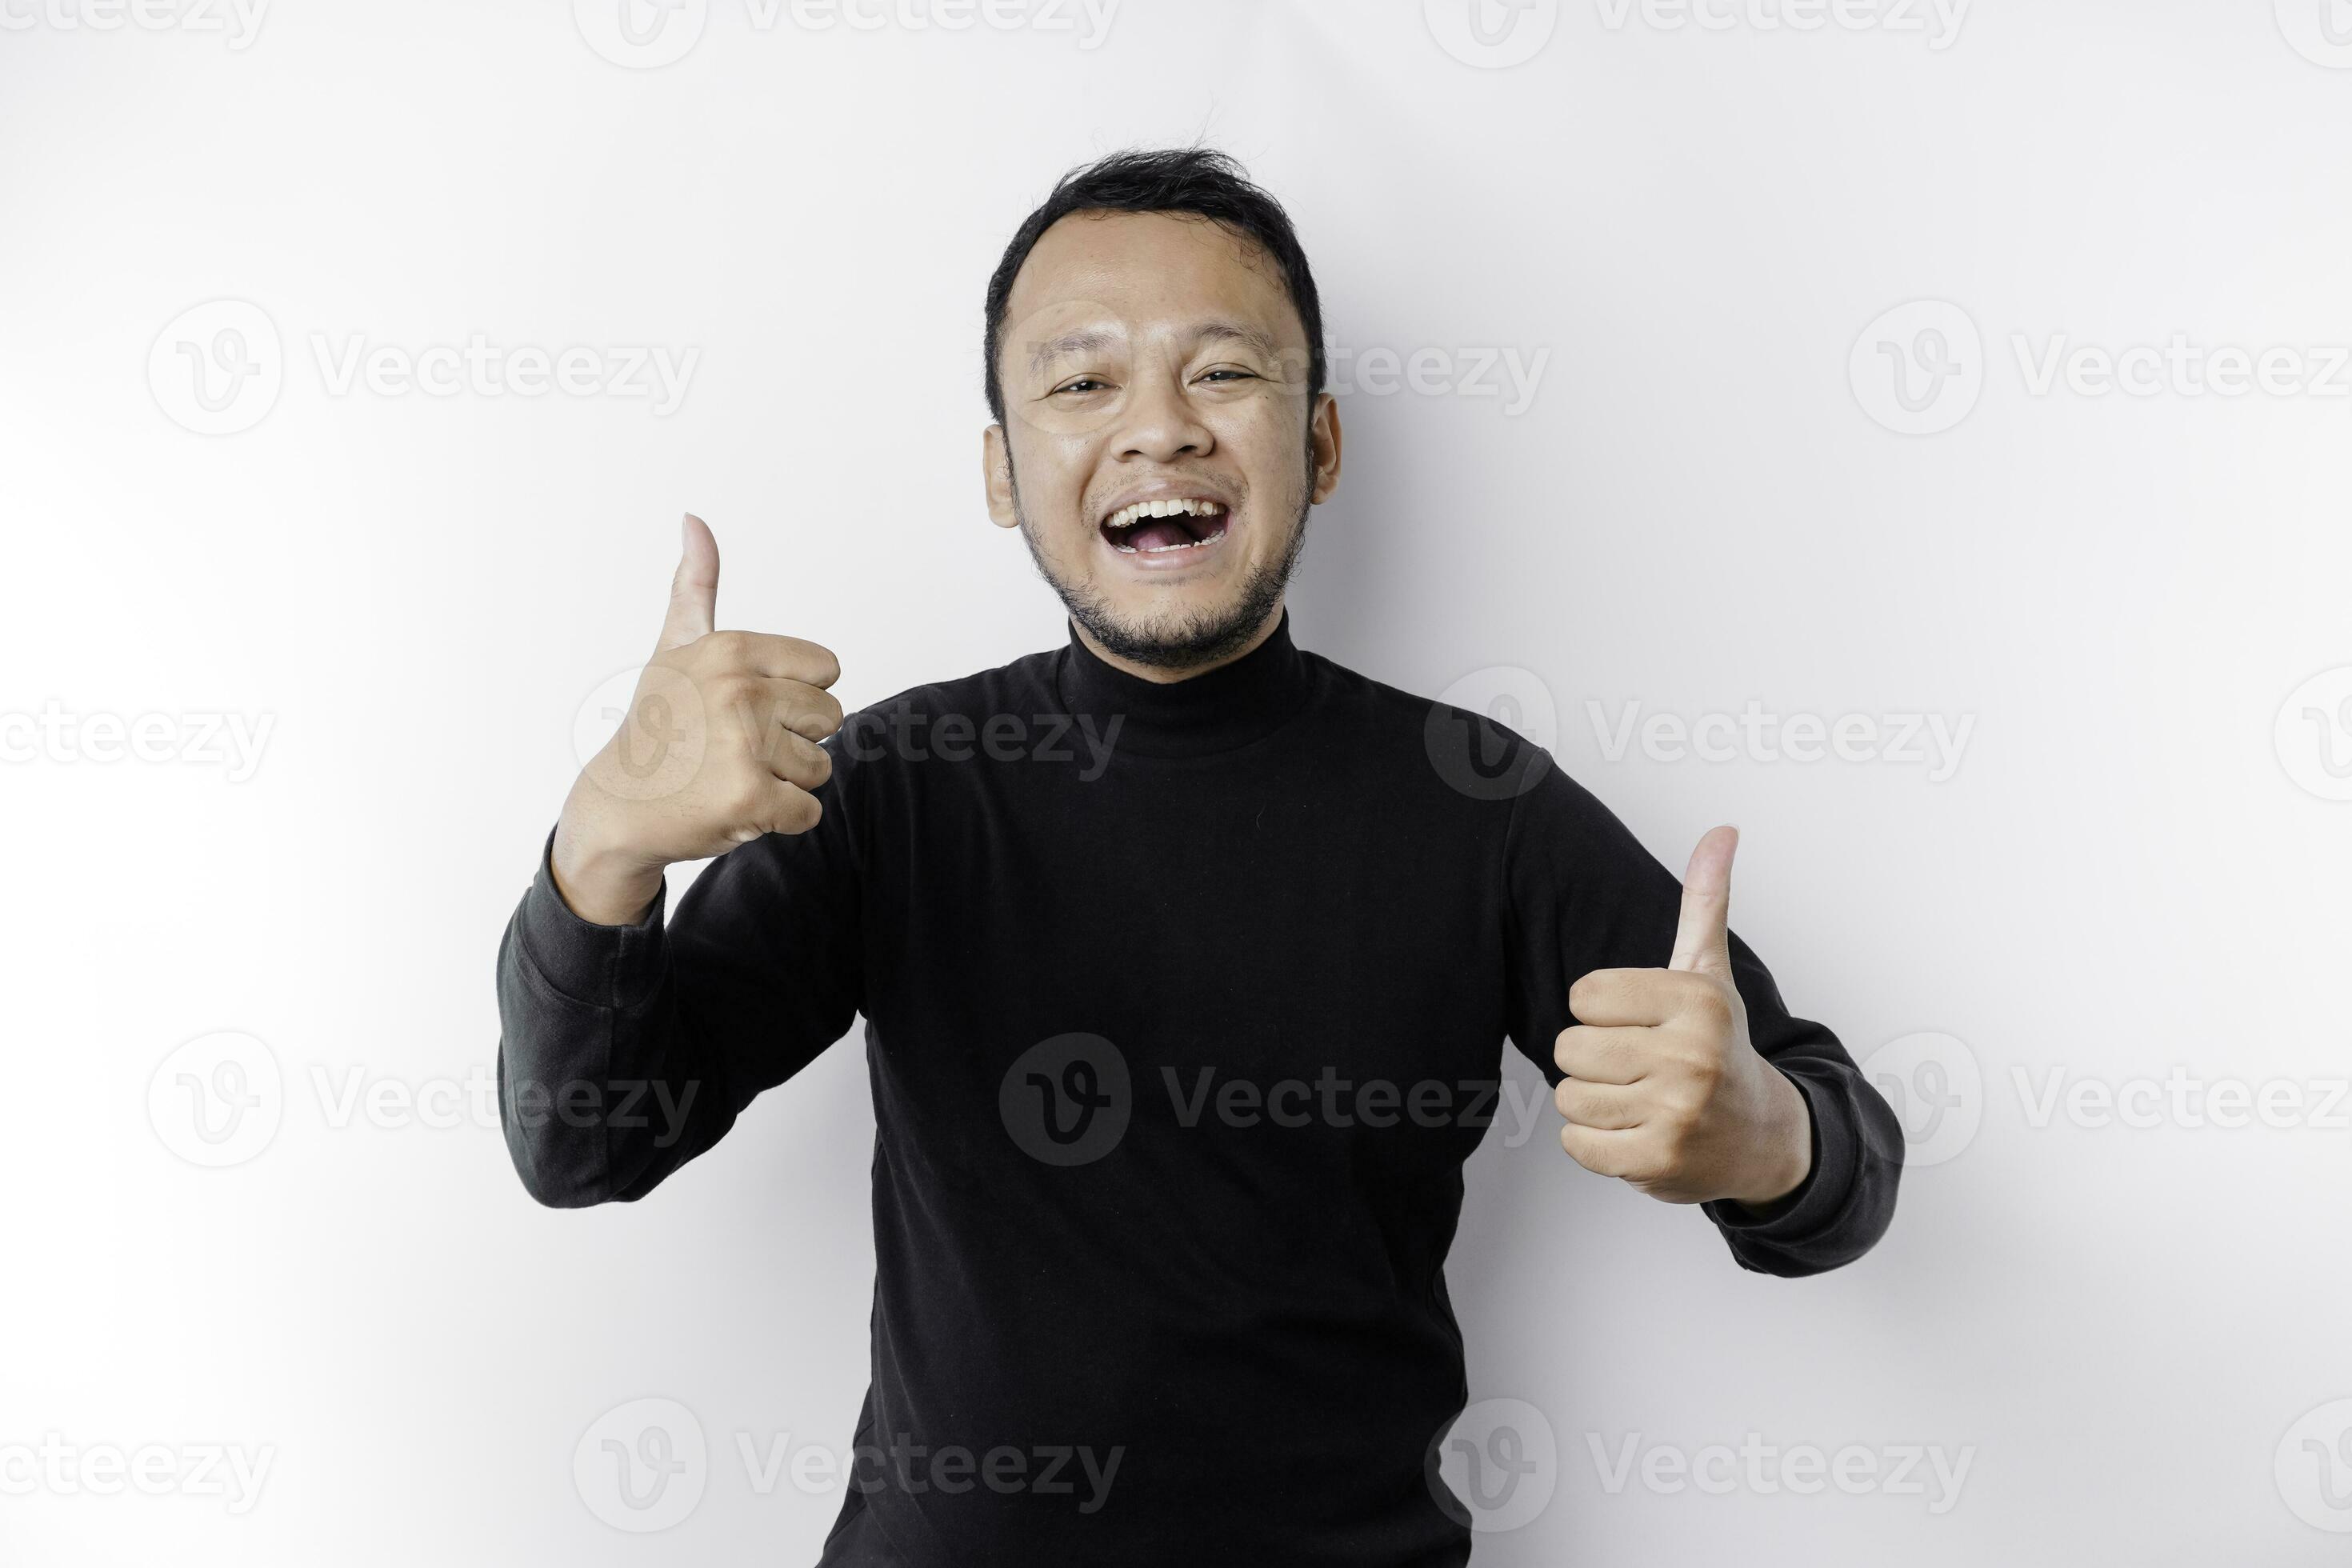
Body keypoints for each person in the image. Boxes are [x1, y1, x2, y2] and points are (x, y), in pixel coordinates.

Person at [494, 146, 1902, 1565]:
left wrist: (1765, 1137)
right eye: (1081, 381)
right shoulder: (893, 791)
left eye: (1223, 373)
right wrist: (606, 842)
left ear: (1323, 445)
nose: (1158, 430)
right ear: (1002, 469)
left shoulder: (1478, 805)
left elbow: (1840, 1164)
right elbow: (583, 1141)